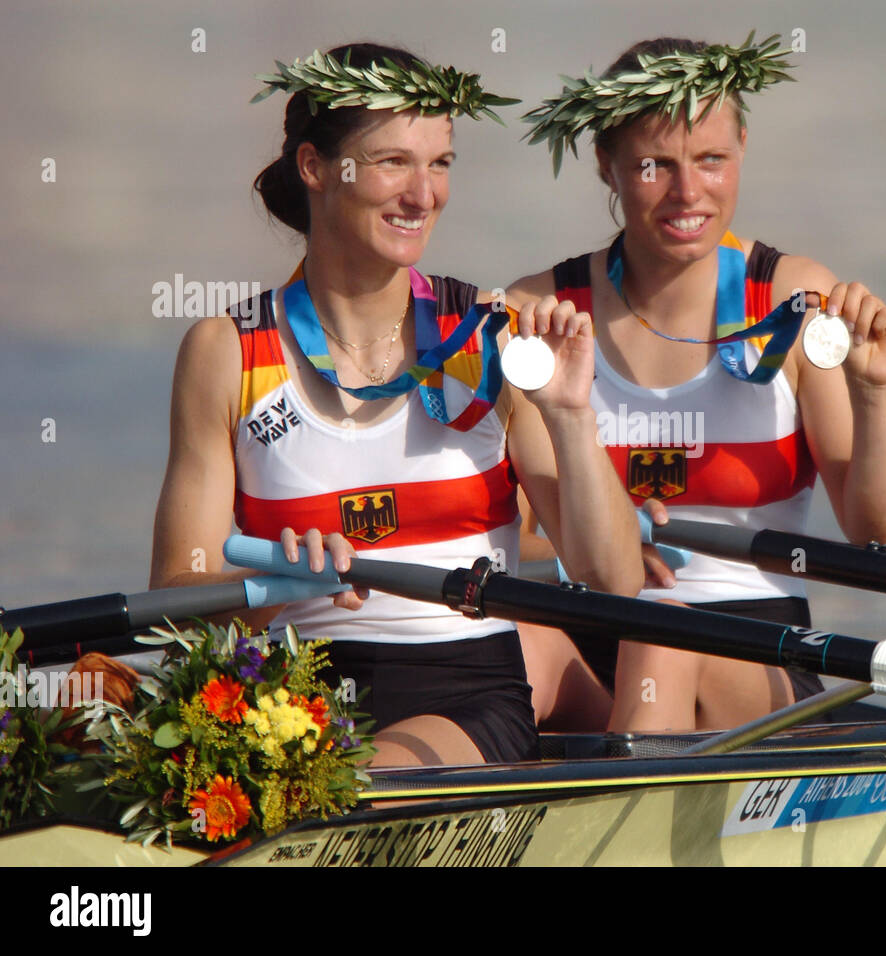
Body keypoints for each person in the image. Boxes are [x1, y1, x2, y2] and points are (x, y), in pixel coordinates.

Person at [149, 43, 641, 767]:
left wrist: (571, 418)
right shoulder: (226, 351)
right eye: (393, 163)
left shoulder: (490, 334)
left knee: (356, 782)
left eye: (440, 163)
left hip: (467, 696)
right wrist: (274, 586)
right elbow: (173, 602)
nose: (424, 194)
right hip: (290, 702)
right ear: (315, 167)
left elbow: (613, 580)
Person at [513, 35, 886, 733]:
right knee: (512, 648)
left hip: (756, 653)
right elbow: (512, 532)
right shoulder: (540, 312)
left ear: (742, 150)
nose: (688, 193)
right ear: (606, 164)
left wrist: (874, 392)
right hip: (593, 628)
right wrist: (607, 537)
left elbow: (884, 538)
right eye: (656, 166)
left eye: (711, 160)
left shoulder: (796, 300)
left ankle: (625, 792)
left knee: (665, 638)